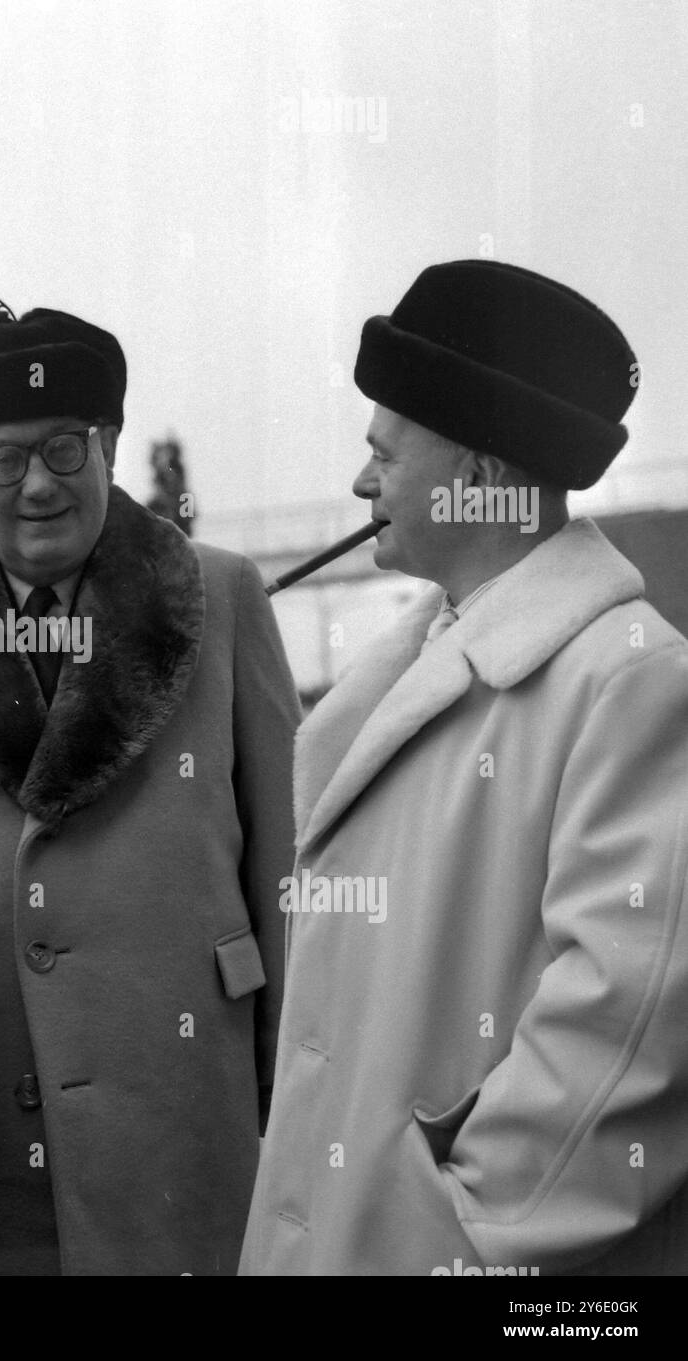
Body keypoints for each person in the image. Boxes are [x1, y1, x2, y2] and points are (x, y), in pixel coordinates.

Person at [0, 303, 299, 1274]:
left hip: (179, 1093)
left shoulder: (223, 593)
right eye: (3, 457)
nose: (40, 483)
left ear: (109, 444)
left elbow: (285, 862)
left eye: (67, 448)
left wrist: (291, 1086)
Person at [240, 260, 688, 1276]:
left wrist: (457, 1234)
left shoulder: (629, 683)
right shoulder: (423, 665)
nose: (361, 484)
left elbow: (635, 1018)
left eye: (382, 454)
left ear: (479, 477)